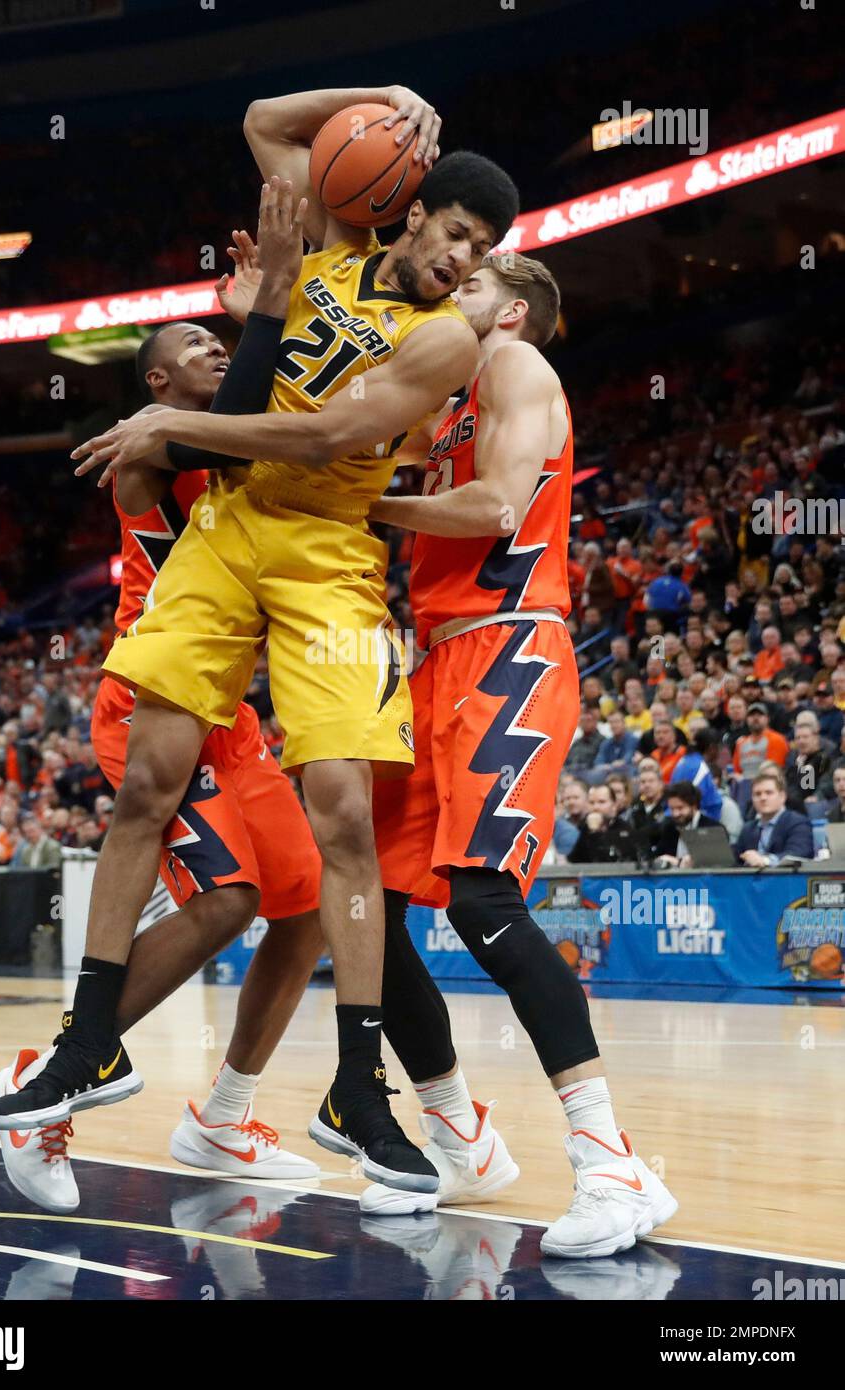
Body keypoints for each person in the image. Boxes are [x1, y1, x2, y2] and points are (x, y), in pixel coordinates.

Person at [21, 85, 519, 1197]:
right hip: (229, 531)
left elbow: (336, 431)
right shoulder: (340, 235)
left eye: (480, 253)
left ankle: (357, 1086)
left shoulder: (444, 339)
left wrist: (176, 418)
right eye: (453, 232)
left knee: (340, 810)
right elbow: (260, 121)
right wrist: (383, 99)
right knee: (148, 784)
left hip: (333, 553)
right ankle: (84, 1039)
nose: (459, 260)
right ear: (414, 205)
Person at [369, 251, 675, 1255]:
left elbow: (496, 507)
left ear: (510, 310)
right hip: (437, 667)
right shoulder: (453, 396)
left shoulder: (516, 368)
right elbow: (353, 422)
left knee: (483, 900)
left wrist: (371, 508)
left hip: (508, 652)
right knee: (361, 904)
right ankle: (460, 1134)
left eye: (470, 284)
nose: (448, 294)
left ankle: (610, 1162)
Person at [734, 767, 815, 865]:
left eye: (769, 793)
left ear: (782, 797)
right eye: (757, 794)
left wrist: (765, 861)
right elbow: (736, 858)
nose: (763, 798)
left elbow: (798, 853)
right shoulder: (748, 829)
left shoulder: (798, 823)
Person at [652, 781, 720, 867]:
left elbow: (716, 863)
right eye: (672, 809)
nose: (676, 814)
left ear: (694, 805)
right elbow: (658, 857)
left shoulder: (713, 828)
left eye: (680, 808)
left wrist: (678, 862)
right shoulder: (670, 828)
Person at [568, 783, 637, 864]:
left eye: (601, 802)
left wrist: (595, 833)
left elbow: (609, 863)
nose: (595, 807)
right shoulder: (583, 826)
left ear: (614, 805)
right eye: (591, 802)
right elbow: (574, 861)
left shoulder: (624, 829)